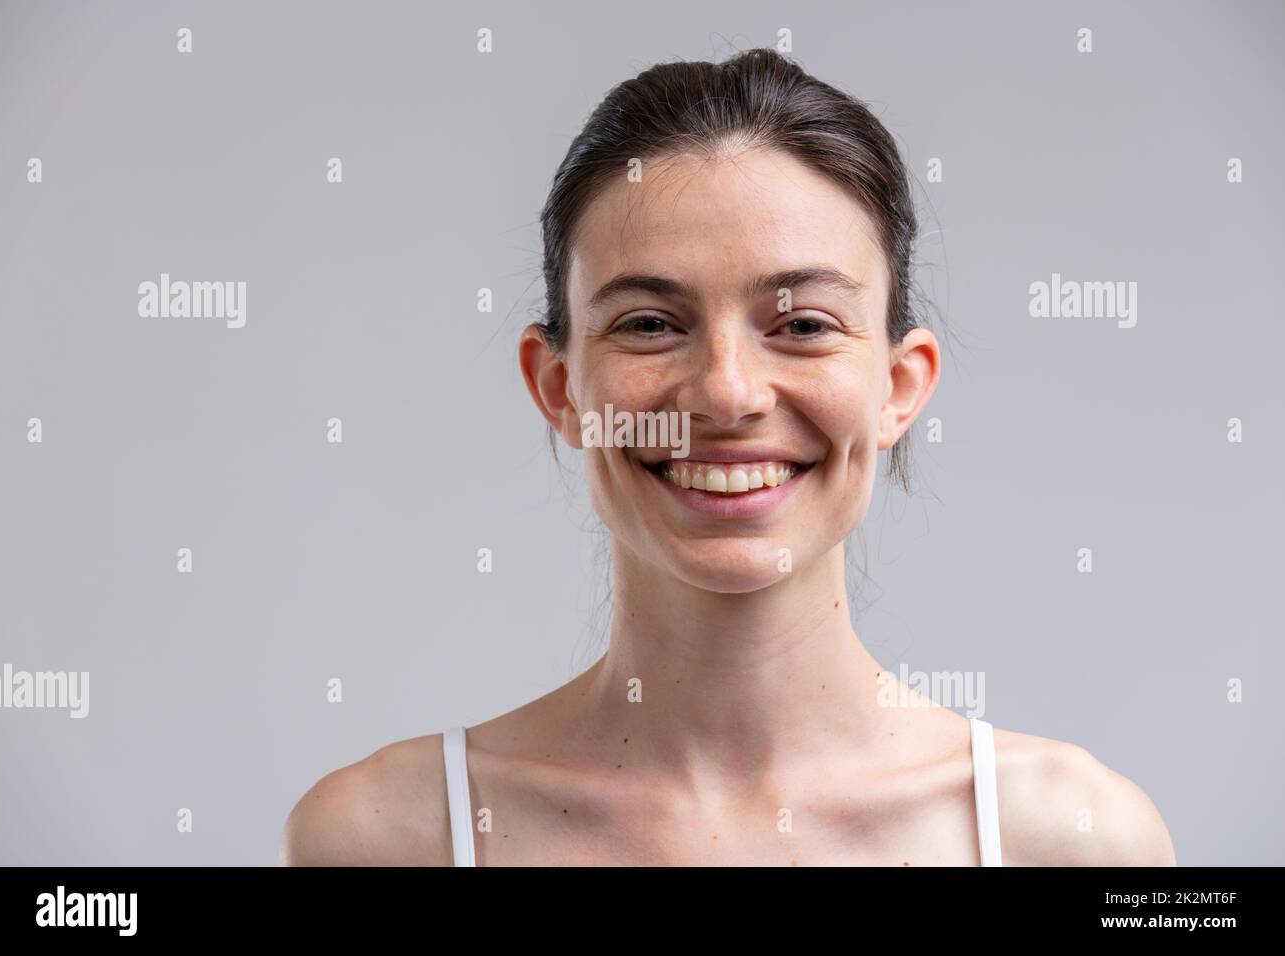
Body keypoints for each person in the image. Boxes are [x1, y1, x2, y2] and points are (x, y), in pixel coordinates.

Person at [280, 48, 1175, 866]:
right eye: (649, 325)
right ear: (558, 389)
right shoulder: (384, 838)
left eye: (802, 326)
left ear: (899, 388)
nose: (727, 393)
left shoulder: (1075, 840)